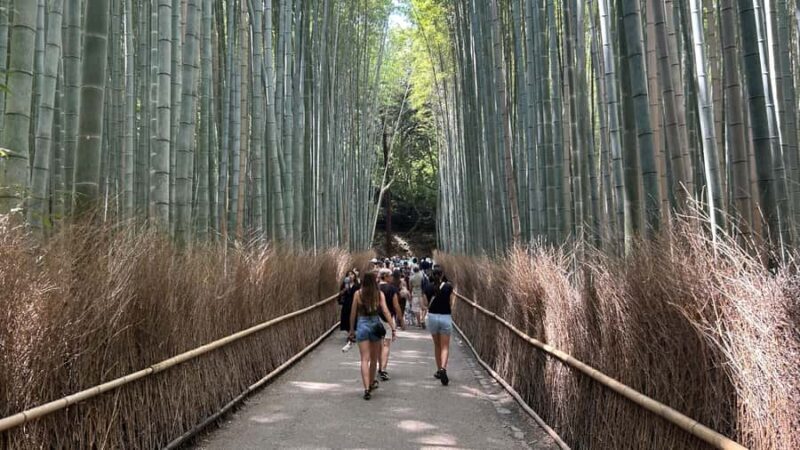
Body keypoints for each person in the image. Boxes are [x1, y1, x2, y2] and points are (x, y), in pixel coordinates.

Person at [349, 272, 397, 400]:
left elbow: (353, 313)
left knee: (364, 359)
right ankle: (371, 383)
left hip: (362, 324)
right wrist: (392, 327)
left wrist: (352, 330)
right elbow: (386, 311)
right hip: (375, 325)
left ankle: (366, 388)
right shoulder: (379, 294)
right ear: (374, 281)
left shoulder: (357, 294)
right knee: (374, 359)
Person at [424, 266, 455, 386]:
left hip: (432, 317)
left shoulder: (428, 287)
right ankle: (443, 368)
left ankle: (438, 370)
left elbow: (425, 303)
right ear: (442, 275)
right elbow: (451, 303)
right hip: (445, 317)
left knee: (437, 345)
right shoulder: (448, 287)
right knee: (445, 346)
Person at [378, 268, 403, 381]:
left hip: (375, 319)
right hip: (387, 319)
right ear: (386, 276)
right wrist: (400, 320)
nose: (392, 277)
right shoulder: (392, 289)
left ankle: (379, 366)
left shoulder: (375, 288)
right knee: (386, 345)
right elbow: (396, 306)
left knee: (378, 344)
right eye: (390, 275)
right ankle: (383, 369)